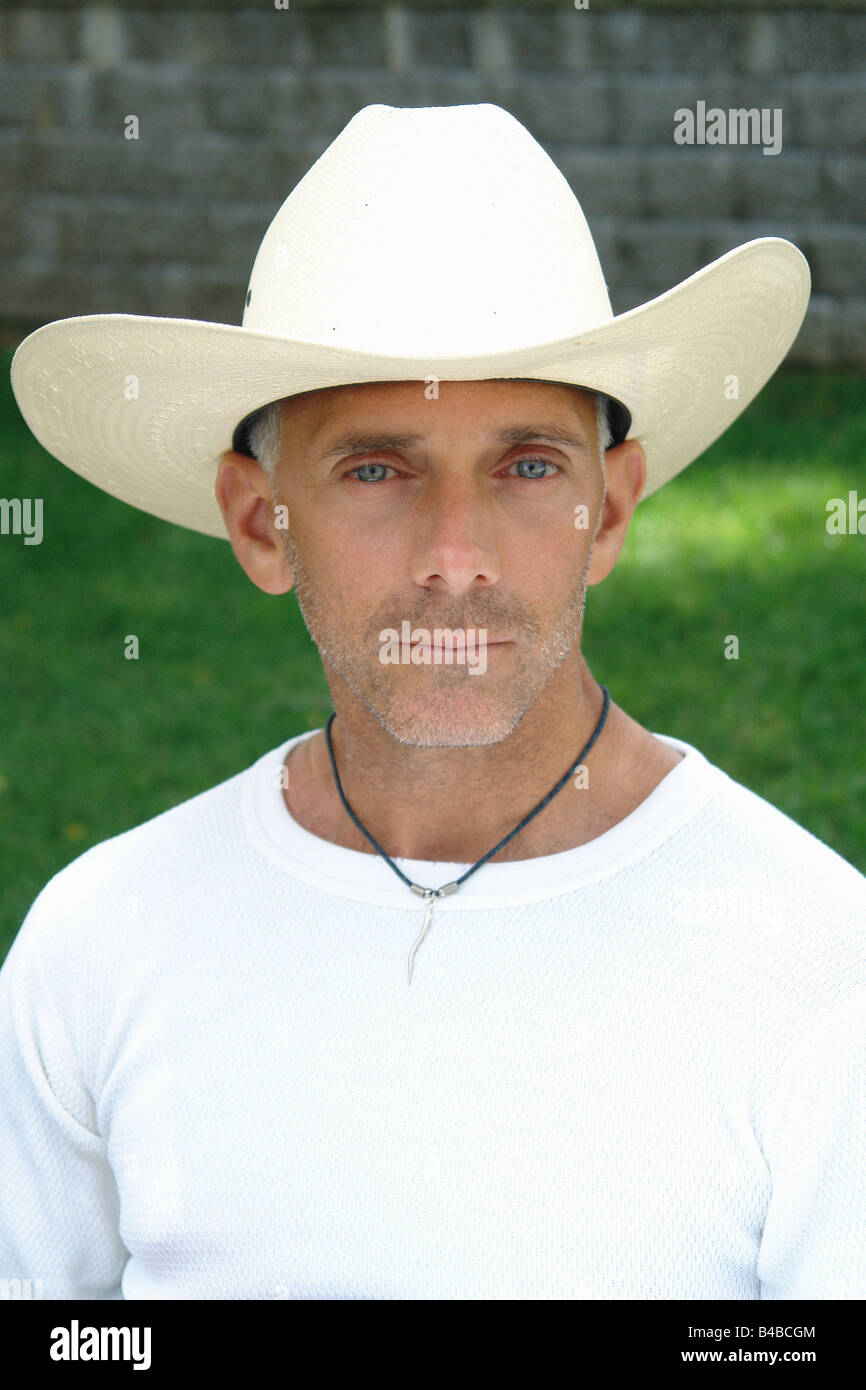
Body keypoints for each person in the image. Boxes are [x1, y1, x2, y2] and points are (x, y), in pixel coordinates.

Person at [2, 103, 864, 1301]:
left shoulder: (819, 966)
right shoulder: (97, 944)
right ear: (261, 521)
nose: (454, 556)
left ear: (607, 510)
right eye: (374, 469)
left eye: (525, 467)